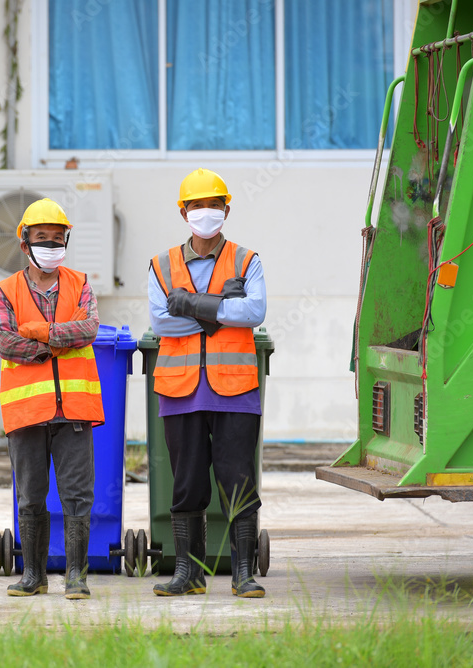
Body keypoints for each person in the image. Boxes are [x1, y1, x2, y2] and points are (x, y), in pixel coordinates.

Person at [147, 169, 267, 598]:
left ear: (227, 210)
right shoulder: (161, 264)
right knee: (187, 484)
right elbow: (160, 321)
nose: (205, 213)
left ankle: (242, 574)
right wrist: (221, 308)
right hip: (181, 391)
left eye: (213, 205)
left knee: (238, 481)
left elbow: (254, 313)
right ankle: (188, 574)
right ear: (183, 211)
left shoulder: (247, 259)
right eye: (197, 206)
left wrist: (193, 305)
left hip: (235, 390)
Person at [0, 198, 104, 600]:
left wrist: (40, 331)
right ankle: (33, 575)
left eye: (58, 239)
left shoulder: (80, 282)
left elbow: (89, 328)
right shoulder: (5, 290)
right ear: (25, 244)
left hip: (73, 410)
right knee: (31, 495)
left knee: (77, 495)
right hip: (27, 412)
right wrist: (54, 345)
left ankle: (76, 576)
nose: (52, 246)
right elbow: (5, 342)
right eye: (43, 239)